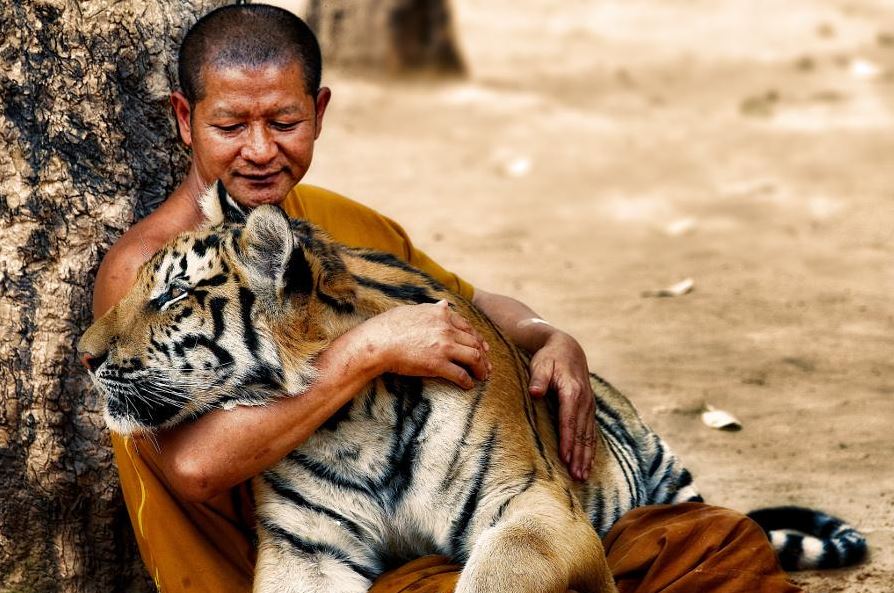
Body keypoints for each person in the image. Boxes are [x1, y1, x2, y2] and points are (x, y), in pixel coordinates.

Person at [90, 5, 803, 593]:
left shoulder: (334, 223)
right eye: (229, 126)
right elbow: (194, 465)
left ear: (319, 112)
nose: (259, 151)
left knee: (717, 546)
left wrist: (552, 337)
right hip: (280, 561)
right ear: (185, 119)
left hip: (454, 522)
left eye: (283, 123)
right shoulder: (145, 267)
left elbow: (466, 303)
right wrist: (369, 348)